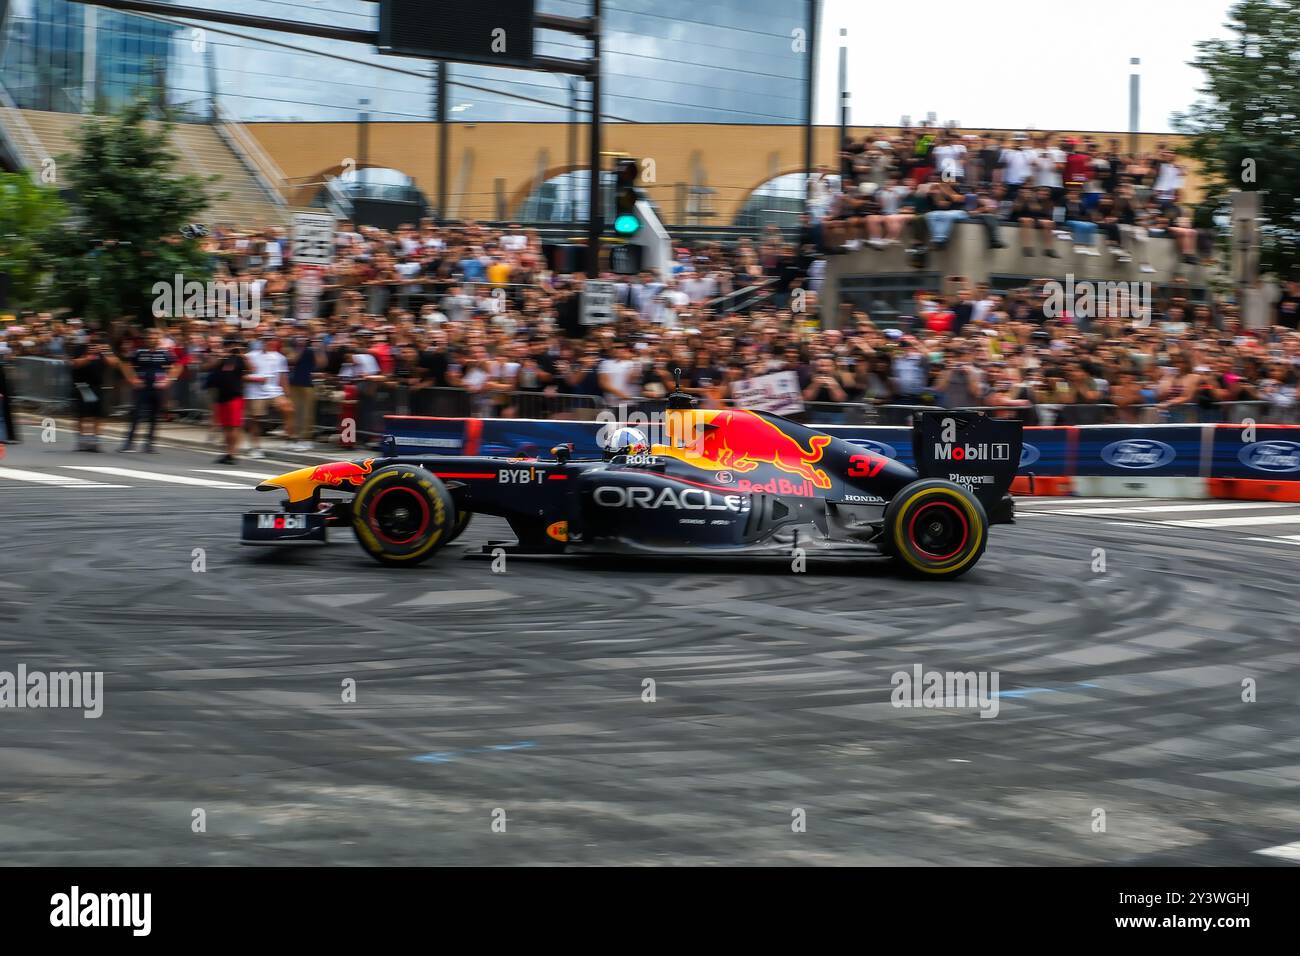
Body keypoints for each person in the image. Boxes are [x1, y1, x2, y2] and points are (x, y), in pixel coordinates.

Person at [119, 327, 173, 453]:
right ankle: (129, 443)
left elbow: (176, 366)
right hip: (142, 388)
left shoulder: (165, 353)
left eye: (154, 337)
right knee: (136, 415)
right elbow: (125, 364)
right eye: (149, 337)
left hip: (157, 388)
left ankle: (149, 444)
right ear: (146, 339)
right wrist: (133, 379)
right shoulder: (139, 352)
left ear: (158, 339)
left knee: (154, 417)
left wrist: (167, 380)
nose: (152, 339)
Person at [68, 331, 119, 451]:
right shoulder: (80, 348)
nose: (94, 340)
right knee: (82, 415)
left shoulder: (104, 350)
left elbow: (114, 363)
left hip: (97, 386)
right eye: (91, 337)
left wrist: (104, 352)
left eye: (97, 338)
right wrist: (89, 356)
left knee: (98, 415)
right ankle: (82, 441)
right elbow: (75, 363)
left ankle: (95, 442)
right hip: (82, 386)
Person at [207, 338, 248, 464]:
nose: (231, 347)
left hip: (234, 396)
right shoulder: (221, 360)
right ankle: (227, 452)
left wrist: (240, 353)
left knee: (234, 426)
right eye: (228, 345)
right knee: (225, 427)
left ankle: (233, 453)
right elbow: (207, 367)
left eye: (233, 345)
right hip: (221, 396)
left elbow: (251, 368)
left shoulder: (240, 359)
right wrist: (221, 356)